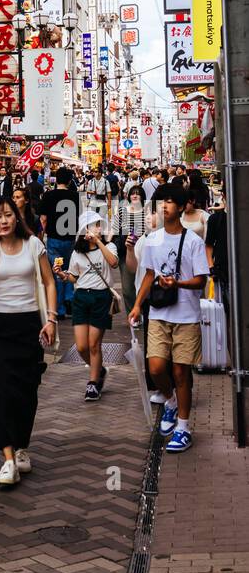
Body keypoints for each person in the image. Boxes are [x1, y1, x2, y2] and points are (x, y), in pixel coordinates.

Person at [0, 196, 57, 487]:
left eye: (8, 215)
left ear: (16, 217)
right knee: (1, 390)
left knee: (27, 390)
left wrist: (51, 319)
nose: (4, 221)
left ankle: (21, 447)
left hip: (30, 323)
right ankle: (8, 459)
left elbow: (48, 281)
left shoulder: (33, 244)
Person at [128, 185, 210, 452]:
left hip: (186, 315)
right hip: (159, 314)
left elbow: (201, 279)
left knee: (180, 372)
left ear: (182, 206)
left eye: (170, 202)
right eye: (162, 202)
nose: (164, 207)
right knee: (155, 369)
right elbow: (149, 274)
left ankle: (183, 428)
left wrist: (178, 284)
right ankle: (170, 402)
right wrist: (138, 305)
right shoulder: (153, 240)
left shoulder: (194, 242)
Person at [56, 209, 119, 402]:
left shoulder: (109, 246)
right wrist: (62, 275)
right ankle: (98, 370)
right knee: (82, 346)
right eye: (95, 225)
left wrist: (99, 241)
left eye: (100, 225)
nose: (98, 228)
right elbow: (75, 277)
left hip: (101, 298)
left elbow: (114, 263)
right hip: (81, 297)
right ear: (85, 230)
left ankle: (93, 383)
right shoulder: (77, 252)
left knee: (94, 344)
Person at [39, 167, 79, 320]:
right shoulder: (76, 196)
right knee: (69, 269)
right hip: (70, 239)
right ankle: (70, 298)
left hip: (54, 239)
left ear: (56, 179)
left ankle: (60, 308)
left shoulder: (48, 195)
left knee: (57, 270)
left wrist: (42, 236)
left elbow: (43, 219)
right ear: (69, 181)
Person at [114, 183, 147, 309]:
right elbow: (115, 230)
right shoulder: (122, 212)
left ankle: (142, 311)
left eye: (138, 194)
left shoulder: (148, 212)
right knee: (128, 289)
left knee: (143, 284)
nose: (135, 196)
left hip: (144, 253)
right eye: (133, 193)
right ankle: (132, 314)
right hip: (125, 252)